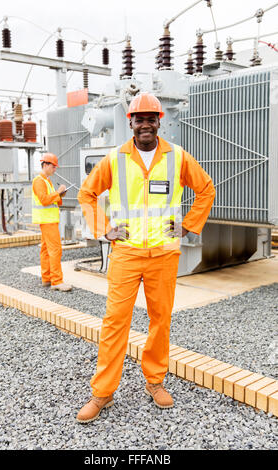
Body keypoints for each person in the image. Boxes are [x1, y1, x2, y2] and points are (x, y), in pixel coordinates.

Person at [76, 92, 215, 423]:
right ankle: (103, 393)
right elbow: (87, 193)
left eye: (151, 119)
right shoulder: (115, 158)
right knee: (114, 323)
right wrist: (104, 228)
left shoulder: (178, 157)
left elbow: (206, 189)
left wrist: (187, 226)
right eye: (139, 119)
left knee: (160, 321)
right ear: (131, 123)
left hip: (164, 253)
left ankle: (155, 382)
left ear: (159, 121)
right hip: (126, 252)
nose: (145, 125)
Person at [32, 153, 72, 292]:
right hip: (48, 221)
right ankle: (57, 281)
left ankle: (47, 278)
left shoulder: (46, 180)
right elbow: (44, 200)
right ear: (46, 165)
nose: (55, 169)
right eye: (53, 167)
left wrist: (60, 194)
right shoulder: (39, 181)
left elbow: (51, 199)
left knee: (45, 250)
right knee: (55, 250)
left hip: (48, 220)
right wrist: (58, 192)